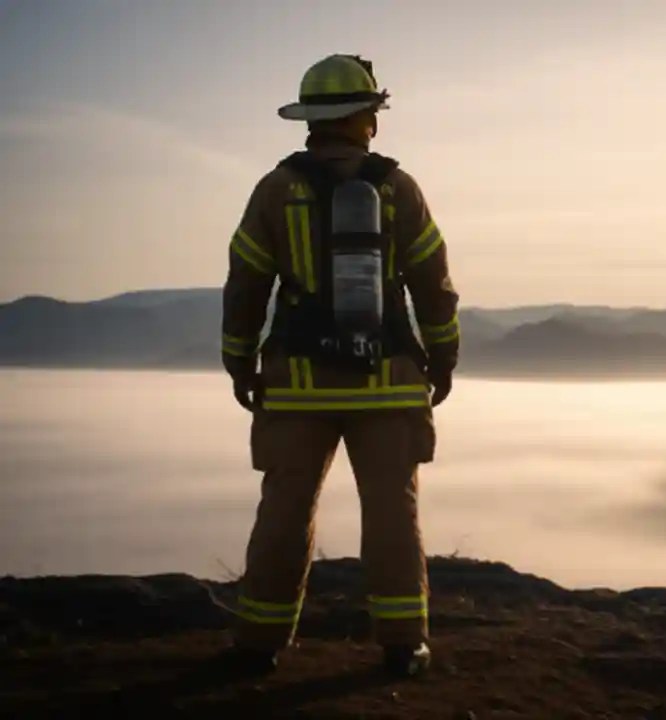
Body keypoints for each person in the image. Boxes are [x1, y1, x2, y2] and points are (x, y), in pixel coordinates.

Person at [218, 54, 459, 678]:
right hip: (388, 384)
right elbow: (433, 286)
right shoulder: (398, 189)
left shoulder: (274, 190)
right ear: (363, 118)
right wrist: (444, 357)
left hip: (296, 388)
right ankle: (404, 646)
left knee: (285, 509)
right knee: (391, 511)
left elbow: (246, 285)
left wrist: (239, 362)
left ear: (312, 120)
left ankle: (259, 644)